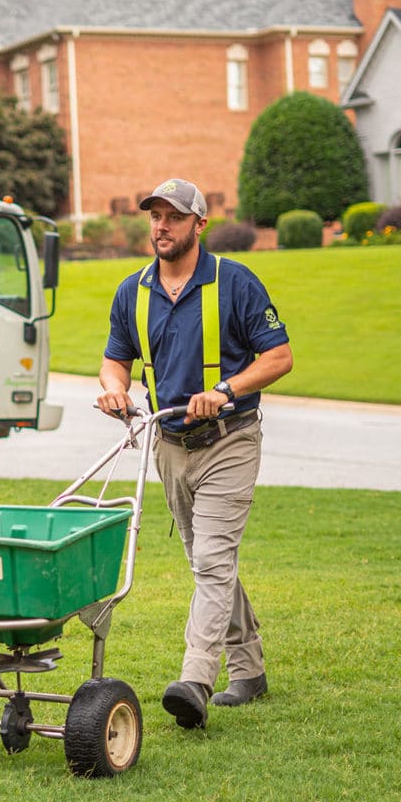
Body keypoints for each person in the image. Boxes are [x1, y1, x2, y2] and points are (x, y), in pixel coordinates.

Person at [94, 178, 293, 730]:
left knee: (210, 562)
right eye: (154, 216)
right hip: (169, 446)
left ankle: (196, 680)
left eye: (174, 217)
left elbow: (279, 357)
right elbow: (116, 358)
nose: (161, 226)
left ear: (199, 224)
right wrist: (115, 388)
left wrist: (227, 390)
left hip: (229, 441)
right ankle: (249, 671)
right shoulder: (132, 291)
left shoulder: (235, 282)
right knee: (209, 561)